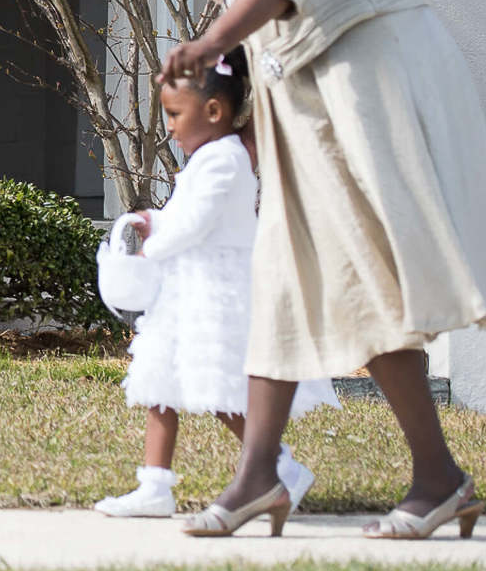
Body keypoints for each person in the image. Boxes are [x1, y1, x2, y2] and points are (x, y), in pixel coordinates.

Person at [147, 0, 486, 540]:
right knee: (280, 289)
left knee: (366, 285)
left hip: (366, 111)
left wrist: (208, 41)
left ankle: (439, 479)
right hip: (309, 121)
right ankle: (258, 480)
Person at [94, 47, 338, 522]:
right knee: (160, 383)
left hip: (215, 294)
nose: (169, 127)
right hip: (184, 292)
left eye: (175, 114)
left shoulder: (226, 159)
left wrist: (151, 248)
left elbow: (196, 223)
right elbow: (181, 216)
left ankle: (282, 468)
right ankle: (154, 485)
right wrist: (153, 220)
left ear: (212, 110)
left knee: (223, 393)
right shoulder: (209, 157)